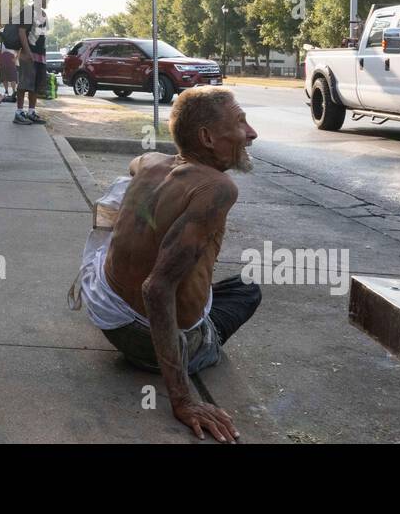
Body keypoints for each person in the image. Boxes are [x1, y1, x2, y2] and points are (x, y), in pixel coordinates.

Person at [74, 87, 261, 442]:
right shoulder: (218, 188)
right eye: (241, 123)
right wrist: (184, 400)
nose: (251, 133)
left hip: (111, 321)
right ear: (207, 137)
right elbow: (157, 288)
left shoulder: (150, 163)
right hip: (145, 344)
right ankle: (190, 351)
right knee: (248, 292)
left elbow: (134, 166)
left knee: (218, 282)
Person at [13, 0, 48, 125]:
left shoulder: (43, 14)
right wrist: (27, 52)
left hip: (40, 54)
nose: (47, 1)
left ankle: (31, 112)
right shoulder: (28, 11)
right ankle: (19, 113)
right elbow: (21, 32)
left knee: (35, 84)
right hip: (28, 54)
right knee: (24, 83)